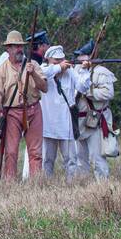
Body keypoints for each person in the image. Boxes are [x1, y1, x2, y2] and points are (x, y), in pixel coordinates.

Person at [0, 30, 46, 178]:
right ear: (8, 49)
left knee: (35, 152)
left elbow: (44, 87)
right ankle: (10, 184)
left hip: (33, 109)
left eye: (20, 46)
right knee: (11, 151)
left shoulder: (33, 64)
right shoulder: (0, 70)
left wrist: (33, 73)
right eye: (15, 46)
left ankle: (36, 184)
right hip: (12, 113)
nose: (19, 49)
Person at [72, 41, 116, 180]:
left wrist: (88, 91)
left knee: (97, 157)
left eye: (82, 55)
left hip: (95, 119)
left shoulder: (101, 72)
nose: (79, 59)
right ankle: (82, 184)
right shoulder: (76, 71)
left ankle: (102, 186)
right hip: (79, 120)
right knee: (80, 157)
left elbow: (108, 93)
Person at [38, 45, 81, 178]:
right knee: (47, 160)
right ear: (49, 60)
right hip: (48, 124)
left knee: (71, 160)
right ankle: (46, 185)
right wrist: (58, 67)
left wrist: (84, 70)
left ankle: (72, 185)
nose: (61, 64)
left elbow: (83, 87)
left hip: (65, 124)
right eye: (56, 61)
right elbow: (43, 73)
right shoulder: (44, 69)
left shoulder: (71, 72)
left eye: (62, 60)